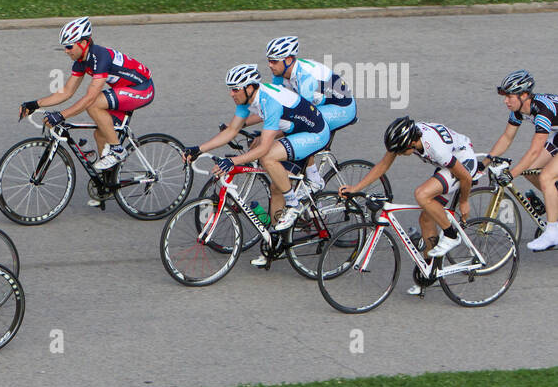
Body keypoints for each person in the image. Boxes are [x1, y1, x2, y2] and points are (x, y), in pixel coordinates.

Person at [18, 17, 156, 205]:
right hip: (122, 91)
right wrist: (35, 103)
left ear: (83, 43)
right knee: (100, 134)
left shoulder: (100, 58)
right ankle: (107, 186)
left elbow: (90, 98)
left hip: (141, 88)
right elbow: (66, 92)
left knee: (93, 104)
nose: (66, 51)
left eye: (69, 46)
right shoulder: (82, 61)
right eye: (64, 47)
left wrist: (61, 115)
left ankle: (117, 150)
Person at [340, 117, 481, 296]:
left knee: (422, 194)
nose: (397, 155)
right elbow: (383, 165)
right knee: (426, 217)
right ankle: (430, 271)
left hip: (464, 161)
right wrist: (355, 188)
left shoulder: (434, 147)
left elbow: (465, 177)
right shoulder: (407, 137)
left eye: (400, 151)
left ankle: (452, 235)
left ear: (411, 144)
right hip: (448, 163)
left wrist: (463, 201)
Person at [184, 64, 331, 234]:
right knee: (277, 186)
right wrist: (199, 149)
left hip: (314, 134)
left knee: (267, 157)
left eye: (235, 89)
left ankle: (294, 204)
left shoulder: (270, 102)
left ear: (250, 87)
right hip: (295, 131)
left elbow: (264, 149)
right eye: (230, 89)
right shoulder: (246, 99)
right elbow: (232, 130)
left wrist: (232, 162)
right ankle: (276, 241)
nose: (231, 94)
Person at [265, 35, 356, 188]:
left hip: (342, 108)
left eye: (274, 61)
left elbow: (303, 116)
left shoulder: (305, 77)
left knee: (306, 127)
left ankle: (314, 179)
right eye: (269, 60)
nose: (269, 65)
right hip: (323, 104)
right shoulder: (281, 74)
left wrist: (271, 134)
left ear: (288, 60)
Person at [482, 69, 558, 252]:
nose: (505, 101)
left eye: (509, 96)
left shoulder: (543, 111)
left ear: (524, 95)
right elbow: (507, 138)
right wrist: (483, 163)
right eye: (504, 96)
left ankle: (553, 231)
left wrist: (511, 174)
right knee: (529, 170)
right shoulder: (518, 110)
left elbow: (534, 150)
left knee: (546, 176)